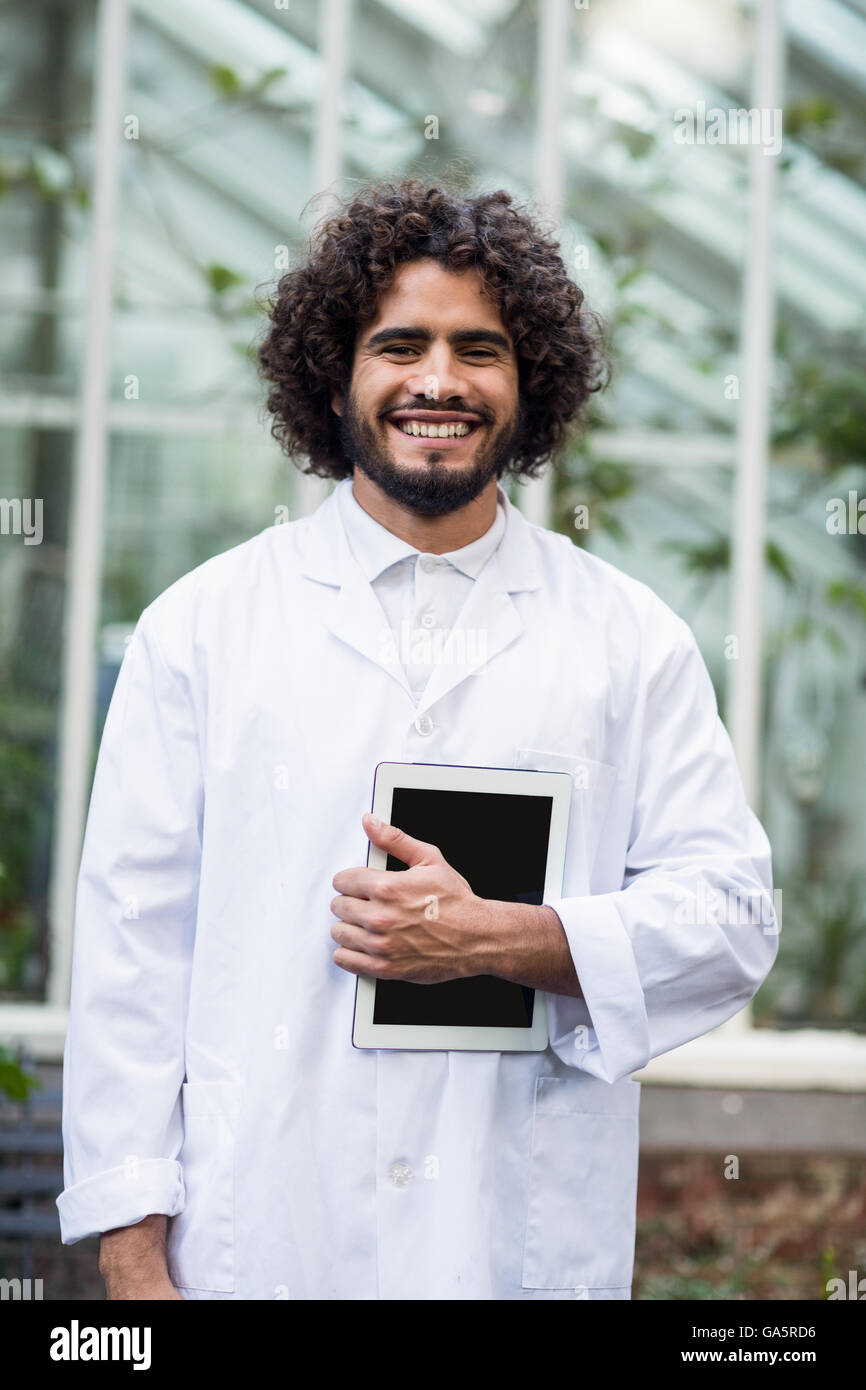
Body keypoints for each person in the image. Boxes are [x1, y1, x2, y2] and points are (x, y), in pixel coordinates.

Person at [57, 179, 778, 1300]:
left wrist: (511, 938)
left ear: (526, 382)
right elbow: (132, 953)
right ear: (334, 375)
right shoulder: (201, 630)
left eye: (476, 349)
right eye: (400, 344)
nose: (437, 380)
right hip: (261, 1246)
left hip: (512, 1245)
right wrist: (134, 1254)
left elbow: (729, 916)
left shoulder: (628, 641)